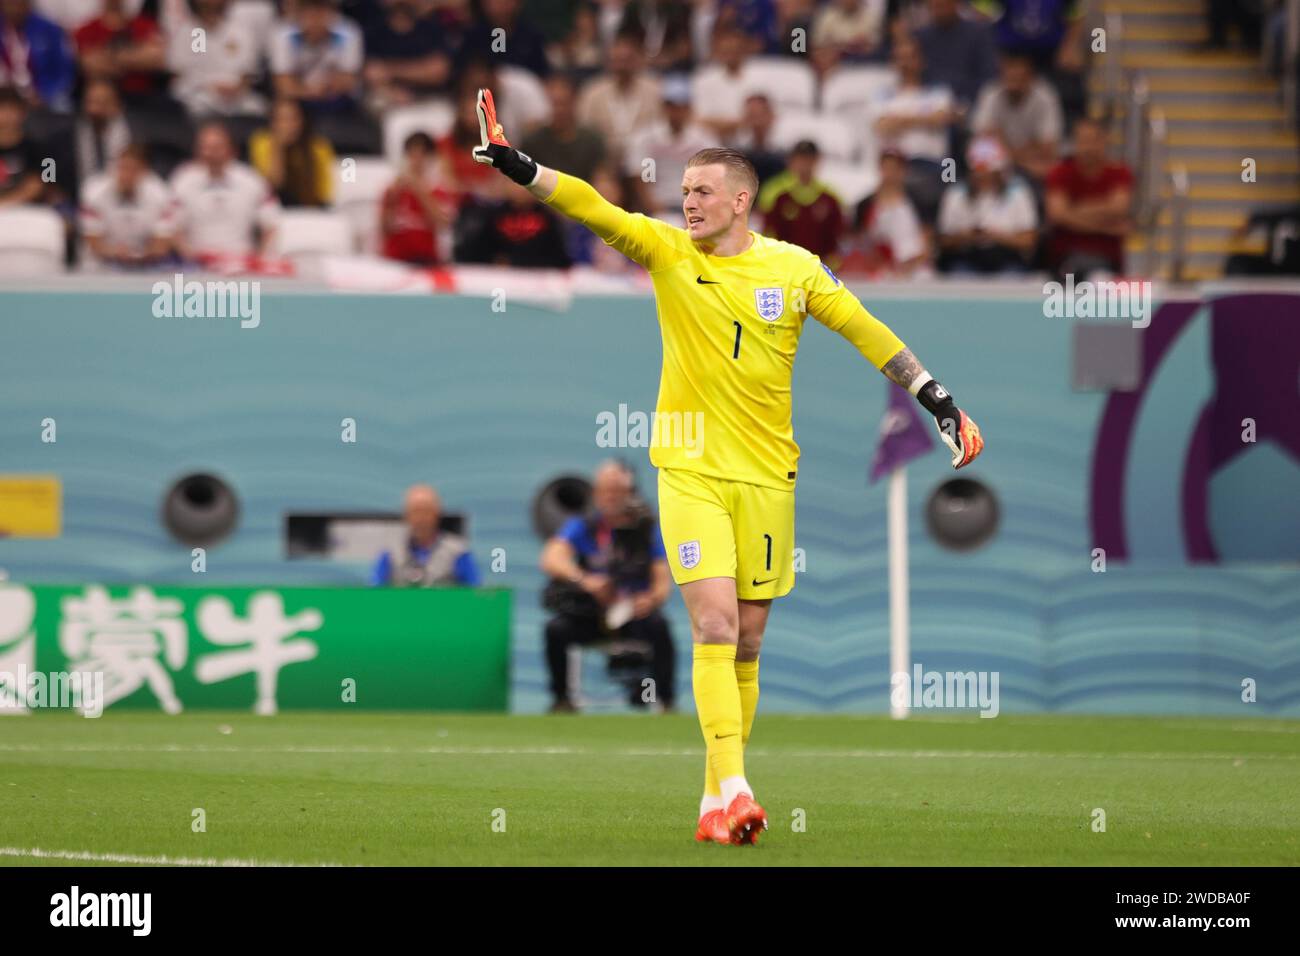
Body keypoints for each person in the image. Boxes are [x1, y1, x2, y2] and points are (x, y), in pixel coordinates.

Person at [471, 87, 985, 846]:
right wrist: (519, 166)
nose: (689, 204)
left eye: (703, 192)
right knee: (713, 623)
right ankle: (740, 788)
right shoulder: (668, 252)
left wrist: (935, 398)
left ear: (742, 200)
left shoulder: (796, 269)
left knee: (746, 642)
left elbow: (867, 331)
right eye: (683, 193)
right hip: (688, 471)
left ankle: (715, 803)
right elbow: (590, 207)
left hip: (769, 477)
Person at [539, 461, 676, 714]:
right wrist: (584, 580)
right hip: (593, 615)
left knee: (660, 627)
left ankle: (666, 702)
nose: (611, 497)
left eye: (618, 491)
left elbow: (662, 579)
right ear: (596, 494)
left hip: (635, 614)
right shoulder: (583, 526)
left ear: (630, 493)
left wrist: (651, 599)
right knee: (556, 630)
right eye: (605, 491)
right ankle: (562, 700)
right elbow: (551, 558)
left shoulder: (646, 529)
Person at [169, 120, 280, 262]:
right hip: (196, 264)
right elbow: (171, 228)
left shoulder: (252, 180)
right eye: (205, 147)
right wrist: (189, 256)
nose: (211, 153)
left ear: (232, 150)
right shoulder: (183, 179)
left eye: (217, 147)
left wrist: (259, 259)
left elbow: (271, 224)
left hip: (242, 263)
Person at [1044, 116, 1133, 279]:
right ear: (1074, 143)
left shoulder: (1120, 173)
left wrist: (1074, 211)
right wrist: (1106, 227)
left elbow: (1119, 209)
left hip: (1109, 260)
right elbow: (1057, 214)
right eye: (1083, 141)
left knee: (1097, 273)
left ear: (1105, 141)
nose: (1088, 147)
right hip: (1066, 259)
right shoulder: (1060, 172)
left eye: (1094, 140)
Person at [936, 134, 1037, 273]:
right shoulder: (956, 193)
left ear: (999, 172)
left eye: (988, 173)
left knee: (1011, 277)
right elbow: (943, 241)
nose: (983, 178)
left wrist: (996, 236)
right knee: (959, 276)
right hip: (966, 259)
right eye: (978, 173)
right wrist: (967, 237)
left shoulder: (1018, 191)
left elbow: (1029, 240)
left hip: (1007, 259)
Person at [79, 142, 176, 267]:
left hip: (146, 267)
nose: (126, 176)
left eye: (133, 170)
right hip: (101, 267)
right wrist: (115, 252)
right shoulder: (93, 191)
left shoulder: (161, 195)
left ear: (144, 172)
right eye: (123, 168)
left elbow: (161, 245)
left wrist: (140, 255)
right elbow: (93, 241)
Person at [370, 484, 481, 587]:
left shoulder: (458, 552)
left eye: (426, 511)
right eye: (415, 511)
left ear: (437, 513)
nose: (421, 518)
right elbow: (376, 593)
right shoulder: (390, 552)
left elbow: (474, 592)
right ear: (406, 515)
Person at [756, 139, 846, 266]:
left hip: (820, 270)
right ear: (791, 161)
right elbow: (767, 233)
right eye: (801, 159)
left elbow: (836, 237)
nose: (805, 164)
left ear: (817, 161)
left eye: (810, 159)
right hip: (785, 267)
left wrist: (829, 267)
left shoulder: (830, 197)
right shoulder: (774, 192)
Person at [379, 130, 456, 265]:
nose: (416, 160)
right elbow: (384, 228)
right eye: (412, 154)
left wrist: (419, 190)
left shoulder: (438, 190)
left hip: (426, 259)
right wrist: (394, 198)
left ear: (431, 158)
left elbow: (442, 223)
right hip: (395, 260)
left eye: (422, 154)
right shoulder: (393, 189)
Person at [248, 98, 336, 208]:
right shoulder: (261, 142)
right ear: (272, 123)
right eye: (281, 119)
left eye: (293, 119)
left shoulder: (319, 146)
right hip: (275, 209)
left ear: (302, 121)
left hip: (312, 209)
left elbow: (325, 191)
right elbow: (273, 184)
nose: (288, 125)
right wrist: (278, 147)